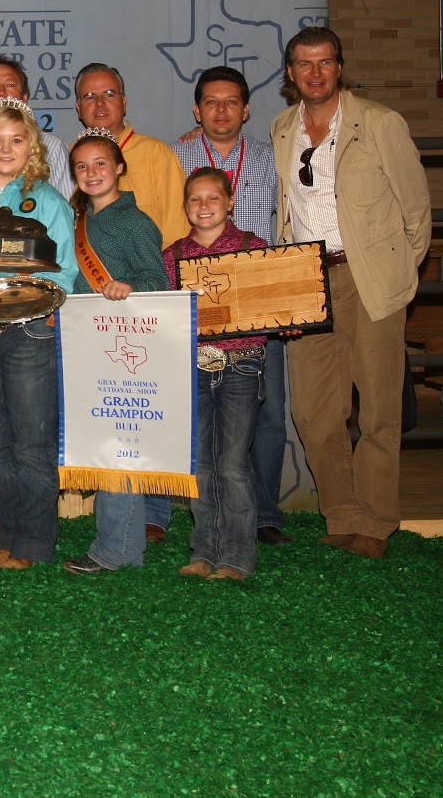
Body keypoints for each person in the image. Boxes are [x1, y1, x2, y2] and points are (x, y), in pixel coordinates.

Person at [271, 27, 430, 560]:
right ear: (289, 74)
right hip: (307, 281)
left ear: (339, 67)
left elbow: (416, 212)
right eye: (304, 64)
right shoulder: (281, 128)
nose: (315, 73)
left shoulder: (379, 124)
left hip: (370, 280)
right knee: (315, 412)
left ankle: (377, 522)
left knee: (379, 407)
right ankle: (341, 515)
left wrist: (398, 276)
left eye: (325, 62)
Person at [0, 99, 79, 571]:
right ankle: (9, 536)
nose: (7, 149)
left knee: (31, 442)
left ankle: (36, 546)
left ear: (33, 148)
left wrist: (43, 304)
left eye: (17, 140)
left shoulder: (49, 202)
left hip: (29, 332)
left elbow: (67, 272)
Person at [172, 66, 290, 546]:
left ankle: (264, 515)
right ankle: (206, 521)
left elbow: (290, 226)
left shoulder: (271, 158)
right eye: (211, 103)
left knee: (271, 414)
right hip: (197, 314)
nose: (221, 110)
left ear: (245, 109)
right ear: (197, 110)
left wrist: (291, 300)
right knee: (200, 429)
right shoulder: (174, 157)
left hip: (258, 309)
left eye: (232, 102)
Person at [61, 130, 172, 576]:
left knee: (120, 446)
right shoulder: (76, 221)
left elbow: (159, 282)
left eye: (101, 164)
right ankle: (121, 547)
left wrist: (131, 286)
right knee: (108, 446)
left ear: (120, 168)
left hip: (128, 348)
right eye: (82, 167)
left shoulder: (136, 222)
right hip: (91, 345)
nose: (92, 173)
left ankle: (116, 549)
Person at [165, 167, 268, 579]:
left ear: (229, 202)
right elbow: (167, 313)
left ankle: (239, 553)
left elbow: (269, 303)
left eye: (212, 198)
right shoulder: (172, 255)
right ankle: (204, 549)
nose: (203, 206)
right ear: (186, 207)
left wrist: (287, 316)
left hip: (242, 364)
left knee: (232, 463)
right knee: (202, 465)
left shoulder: (253, 247)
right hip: (193, 365)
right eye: (195, 199)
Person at [73, 64, 188, 246]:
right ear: (78, 107)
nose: (100, 103)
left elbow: (178, 230)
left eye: (109, 95)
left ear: (124, 101)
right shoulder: (69, 157)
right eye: (90, 97)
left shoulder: (155, 152)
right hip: (87, 269)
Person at [0, 56, 74, 199]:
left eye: (10, 85)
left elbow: (65, 207)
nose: (1, 93)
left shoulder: (52, 147)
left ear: (24, 97)